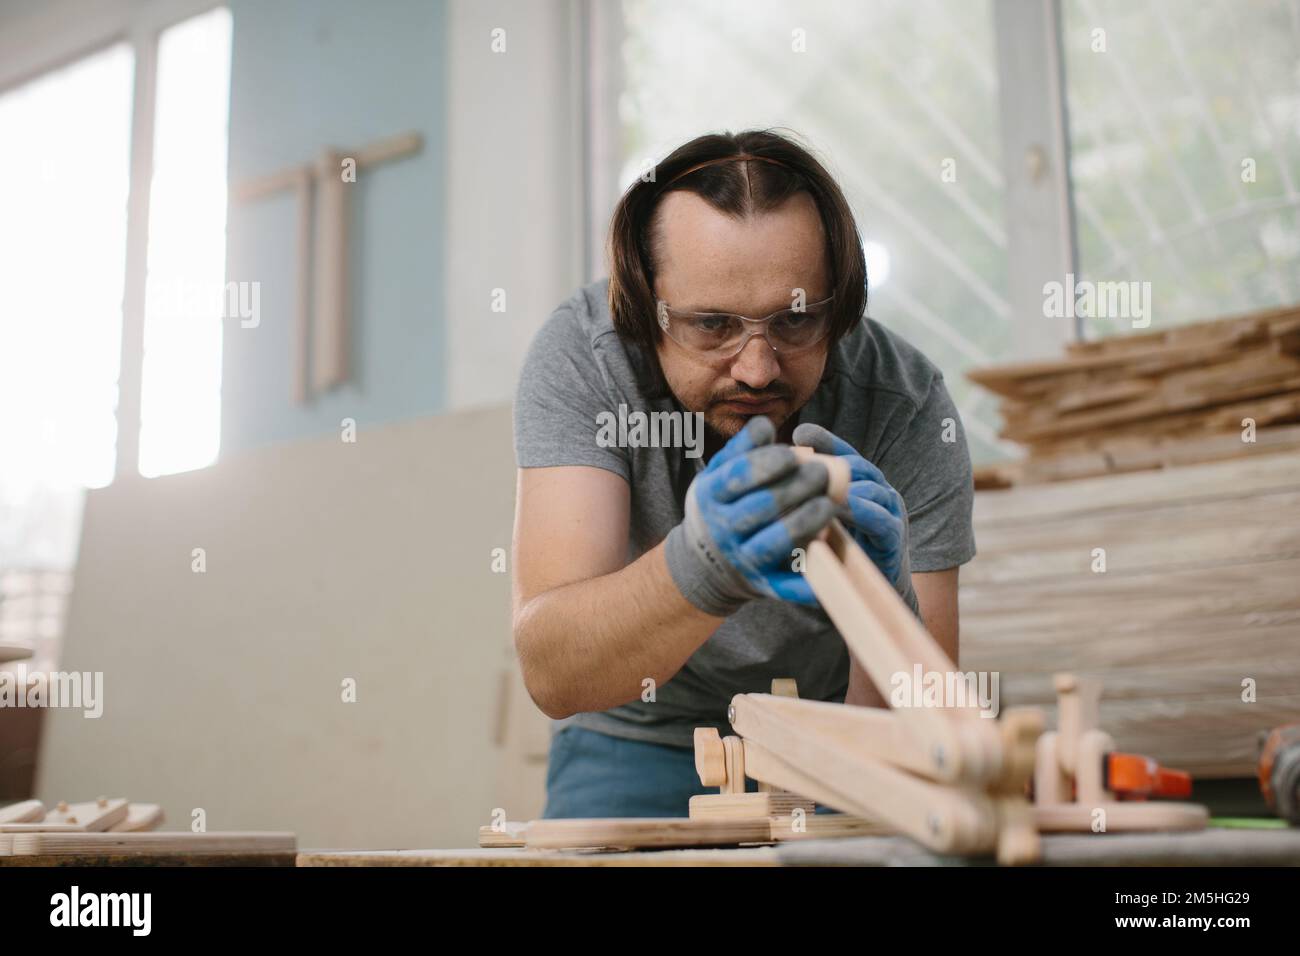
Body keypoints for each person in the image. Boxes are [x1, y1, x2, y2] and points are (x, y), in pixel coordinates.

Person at [511, 129, 975, 817]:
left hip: (828, 737)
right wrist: (701, 570)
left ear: (839, 303)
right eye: (712, 326)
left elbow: (929, 731)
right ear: (645, 309)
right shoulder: (586, 359)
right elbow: (555, 673)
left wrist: (887, 608)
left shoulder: (904, 403)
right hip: (637, 732)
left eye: (794, 322)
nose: (757, 369)